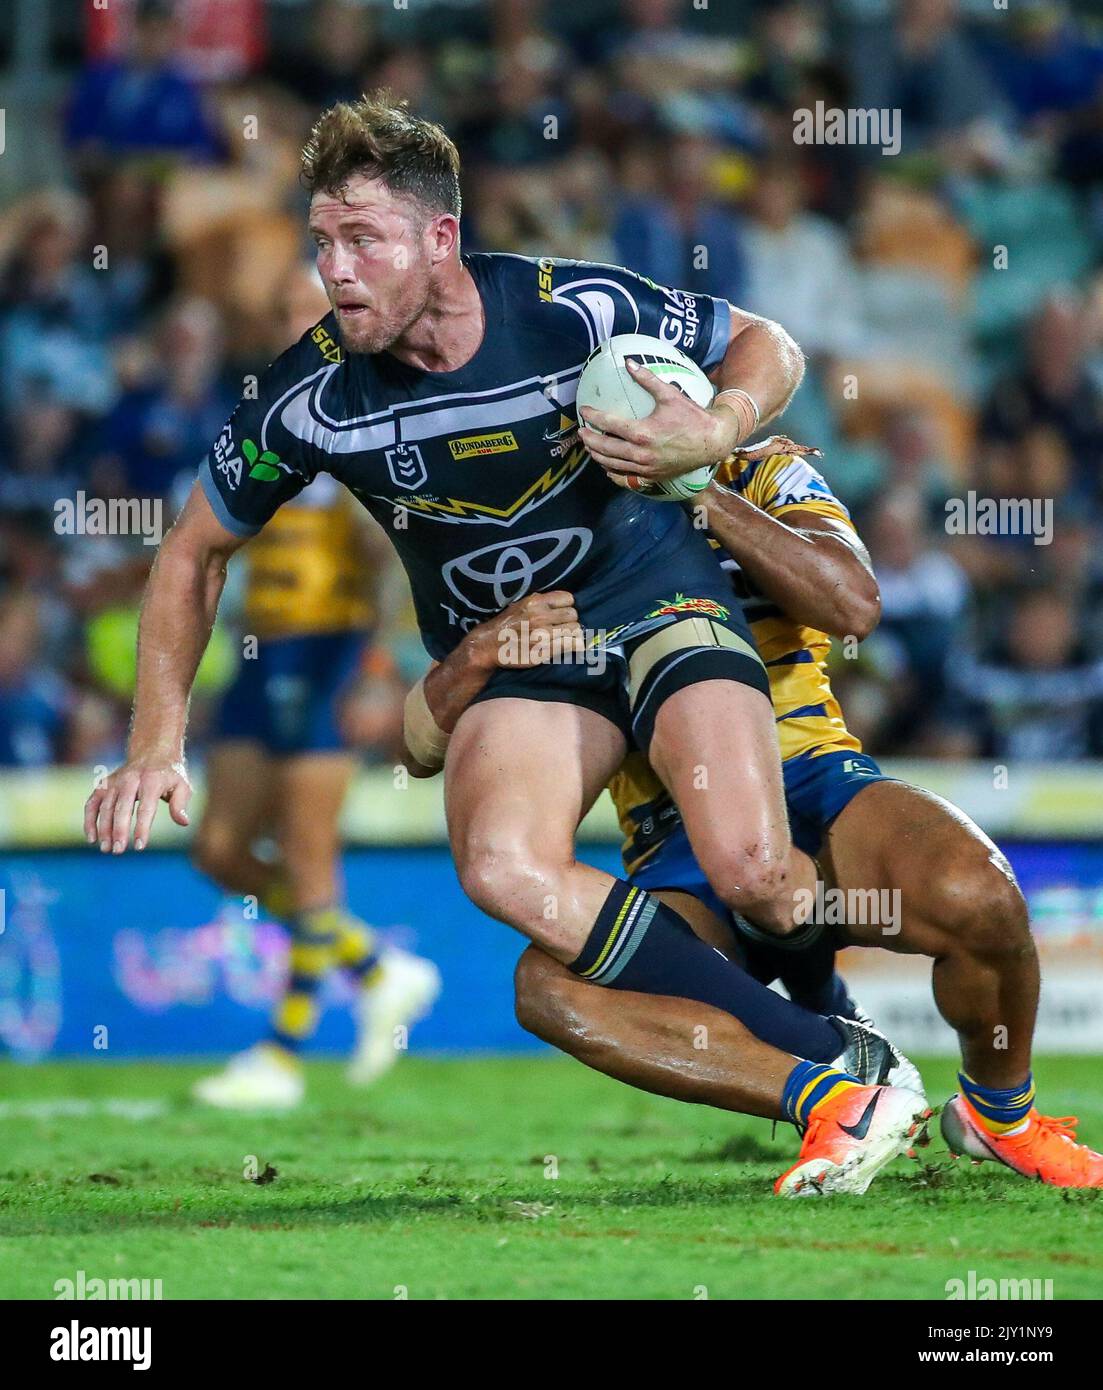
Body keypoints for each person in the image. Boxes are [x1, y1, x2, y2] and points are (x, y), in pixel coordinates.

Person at [85, 93, 927, 1192]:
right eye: (324, 242)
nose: (336, 271)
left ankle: (846, 1023)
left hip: (655, 598)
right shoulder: (311, 395)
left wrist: (717, 427)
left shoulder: (566, 307)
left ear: (440, 239)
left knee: (760, 876)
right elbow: (191, 550)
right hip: (517, 655)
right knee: (499, 867)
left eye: (364, 241)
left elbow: (764, 345)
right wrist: (156, 743)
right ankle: (835, 1077)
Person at [413, 436, 1103, 1190]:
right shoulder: (537, 515)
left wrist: (700, 488)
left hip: (813, 780)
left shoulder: (762, 470)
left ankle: (999, 1118)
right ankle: (833, 1094)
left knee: (979, 893)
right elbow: (416, 744)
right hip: (672, 837)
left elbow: (853, 604)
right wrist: (476, 655)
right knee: (550, 991)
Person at [190, 267, 439, 1111]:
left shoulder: (363, 415)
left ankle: (282, 1055)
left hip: (332, 652)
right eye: (285, 310)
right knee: (221, 848)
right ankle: (375, 968)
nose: (292, 322)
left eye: (308, 309)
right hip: (260, 658)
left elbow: (394, 562)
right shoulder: (262, 412)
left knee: (306, 849)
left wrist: (382, 670)